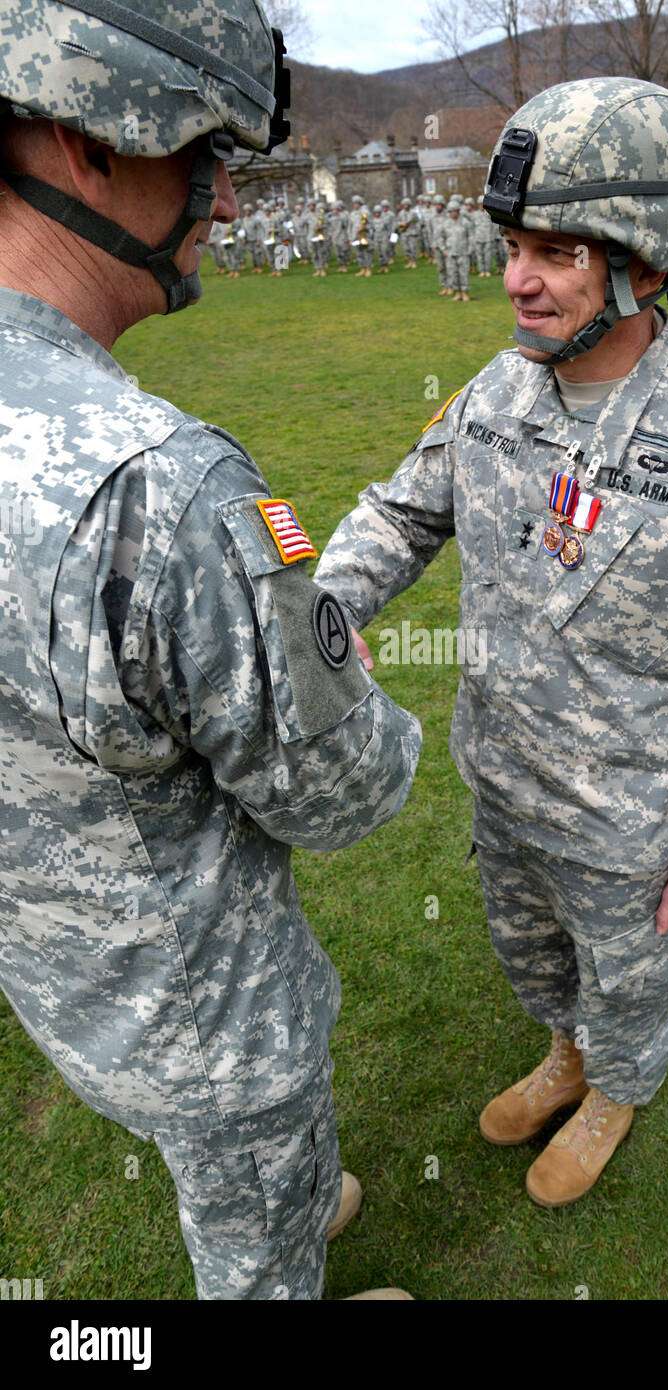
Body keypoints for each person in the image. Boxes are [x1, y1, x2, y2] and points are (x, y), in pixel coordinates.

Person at [315, 76, 668, 1208]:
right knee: (535, 962)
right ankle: (563, 1055)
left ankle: (614, 1088)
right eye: (513, 245)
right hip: (505, 787)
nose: (516, 279)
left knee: (626, 987)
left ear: (644, 264)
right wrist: (329, 609)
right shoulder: (496, 391)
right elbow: (403, 511)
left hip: (637, 829)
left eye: (556, 252)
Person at [0, 0, 420, 1298]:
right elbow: (344, 785)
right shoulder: (171, 494)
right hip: (209, 1024)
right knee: (258, 1253)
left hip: (60, 977)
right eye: (205, 157)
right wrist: (320, 622)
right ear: (88, 144)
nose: (225, 207)